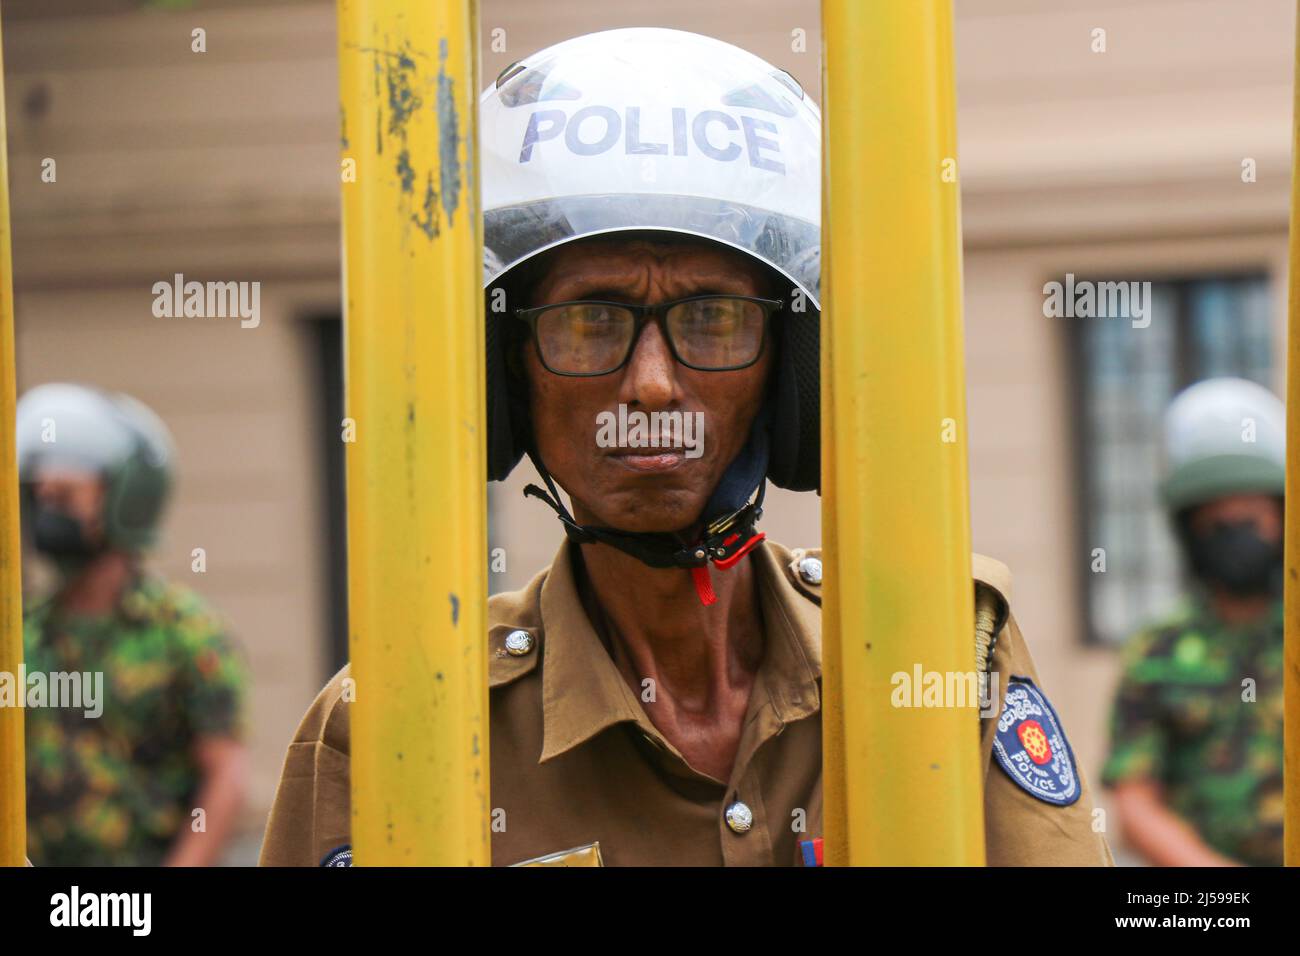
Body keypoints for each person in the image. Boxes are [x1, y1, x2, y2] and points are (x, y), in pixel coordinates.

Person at [261, 28, 1112, 867]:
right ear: (508, 374)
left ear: (791, 369)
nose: (654, 385)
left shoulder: (940, 650)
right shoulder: (389, 724)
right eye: (591, 319)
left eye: (711, 315)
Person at [17, 383, 250, 866]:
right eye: (39, 497)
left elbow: (225, 774)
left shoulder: (185, 633)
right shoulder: (22, 637)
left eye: (63, 495)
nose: (47, 512)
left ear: (125, 497)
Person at [1102, 377, 1285, 867]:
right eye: (1217, 521)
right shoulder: (1158, 649)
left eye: (1251, 516)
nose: (1236, 534)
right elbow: (1135, 802)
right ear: (1189, 528)